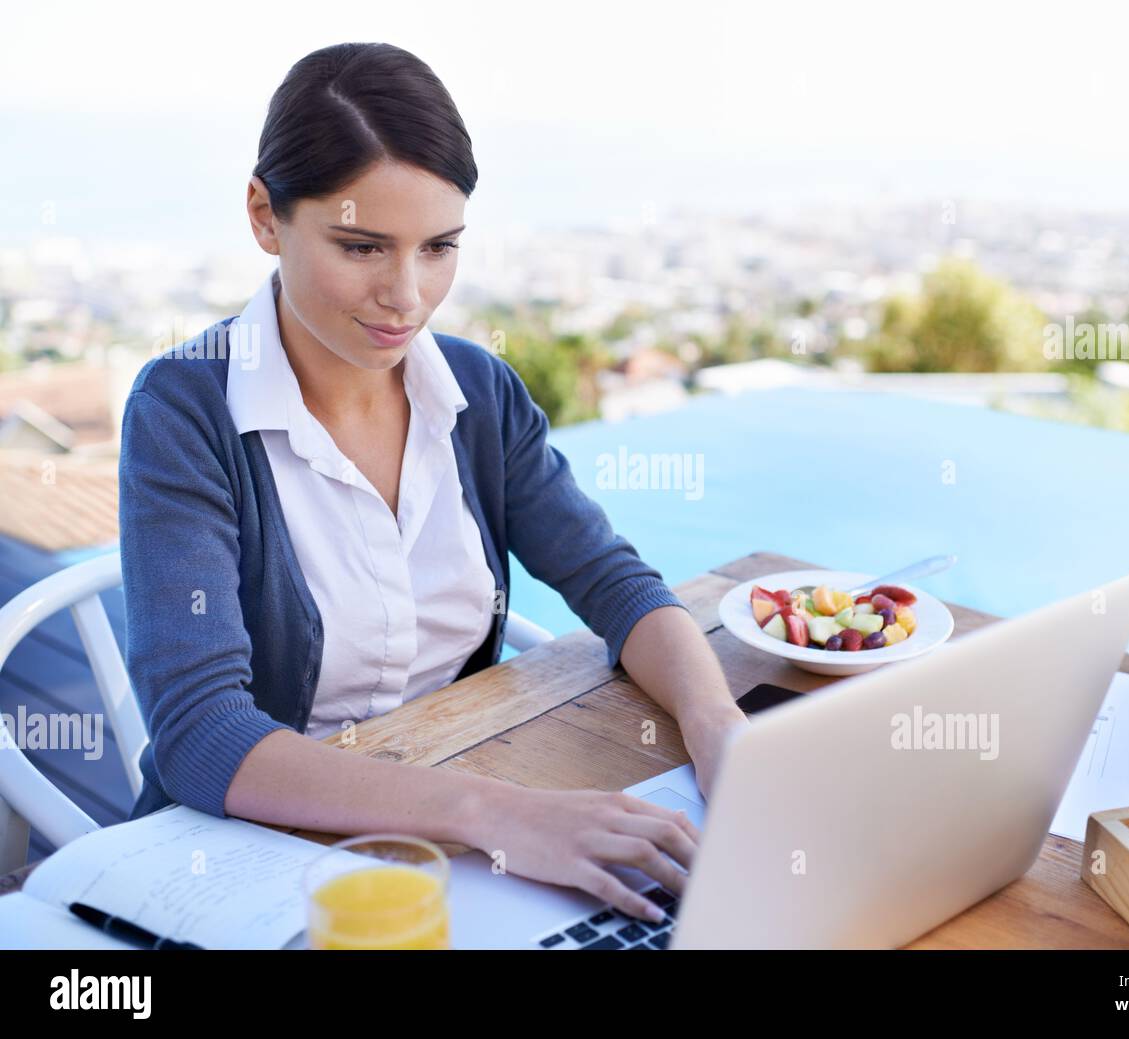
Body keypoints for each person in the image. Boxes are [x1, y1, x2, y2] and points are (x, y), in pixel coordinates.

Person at [118, 42, 747, 924]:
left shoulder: (478, 393)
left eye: (439, 247)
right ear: (265, 215)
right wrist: (499, 818)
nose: (406, 297)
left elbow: (615, 584)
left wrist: (716, 722)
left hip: (448, 835)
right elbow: (200, 734)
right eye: (362, 246)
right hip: (249, 858)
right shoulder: (185, 410)